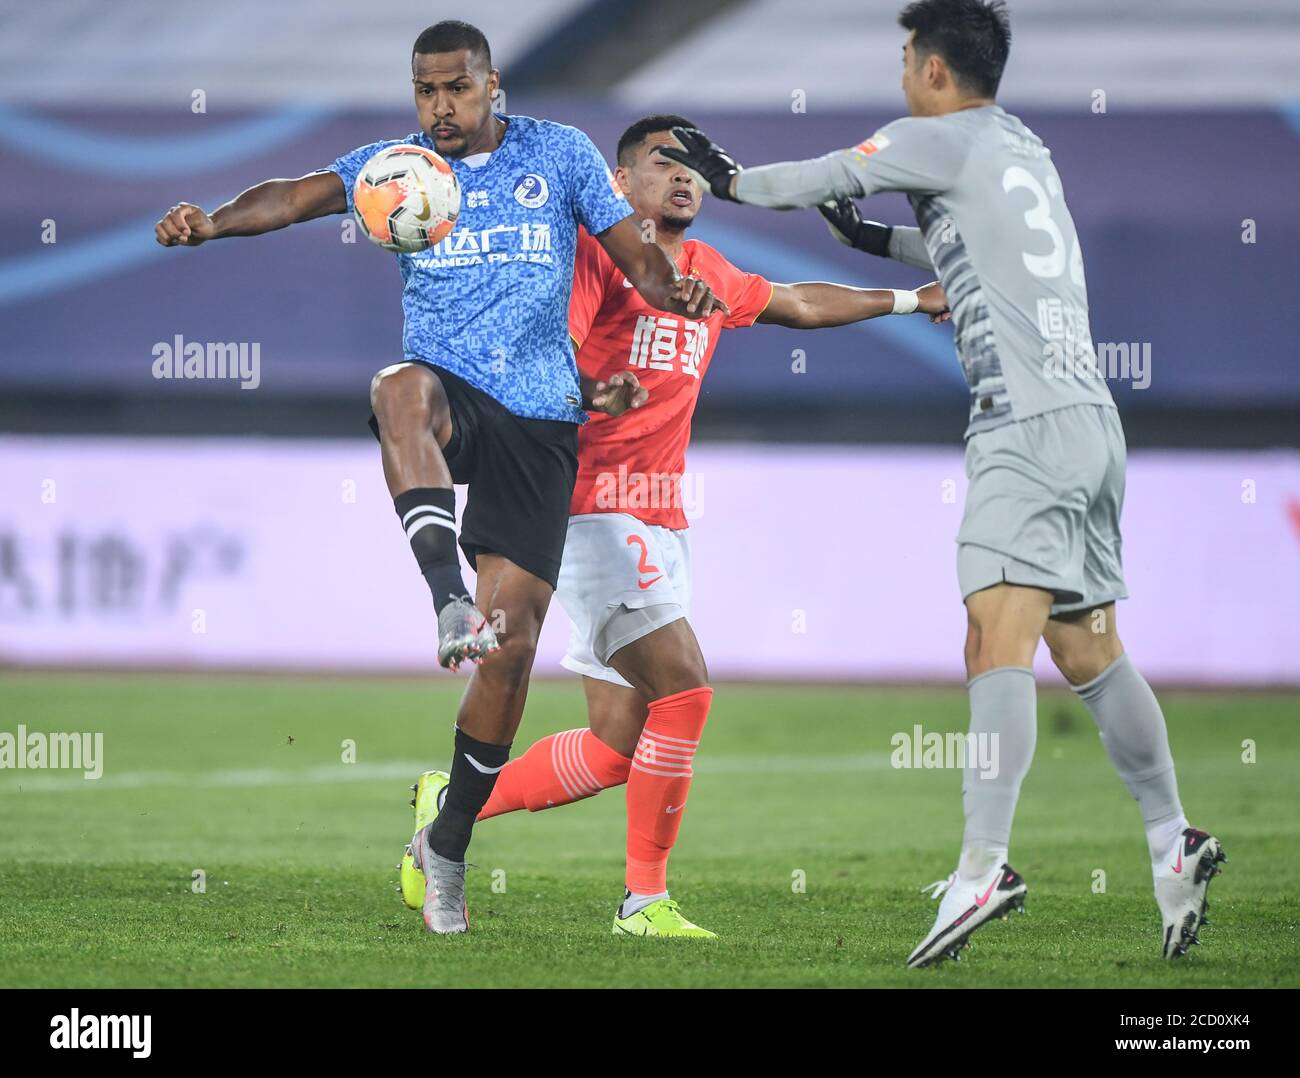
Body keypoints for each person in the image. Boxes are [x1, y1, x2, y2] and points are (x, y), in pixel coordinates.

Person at [656, 0, 1225, 966]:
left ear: (929, 69)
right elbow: (982, 256)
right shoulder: (1020, 148)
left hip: (1026, 426)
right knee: (1086, 646)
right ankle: (1173, 840)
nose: (901, 75)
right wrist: (879, 246)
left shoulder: (938, 136)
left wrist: (734, 180)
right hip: (1090, 423)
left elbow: (834, 172)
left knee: (990, 631)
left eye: (904, 58)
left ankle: (983, 866)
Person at [155, 20, 725, 936]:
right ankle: (442, 596)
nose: (440, 108)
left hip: (540, 421)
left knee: (512, 653)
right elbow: (299, 195)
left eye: (456, 89)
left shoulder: (561, 155)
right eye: (425, 91)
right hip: (451, 395)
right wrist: (214, 221)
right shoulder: (398, 170)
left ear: (492, 84)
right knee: (396, 390)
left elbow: (636, 258)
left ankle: (447, 844)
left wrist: (671, 289)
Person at [399, 114, 948, 938]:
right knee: (685, 689)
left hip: (657, 516)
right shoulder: (595, 257)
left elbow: (797, 301)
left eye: (693, 164)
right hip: (587, 504)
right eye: (663, 161)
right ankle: (643, 904)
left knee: (617, 744)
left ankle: (448, 815)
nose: (684, 175)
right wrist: (595, 388)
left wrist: (914, 297)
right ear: (620, 184)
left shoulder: (707, 271)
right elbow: (549, 353)